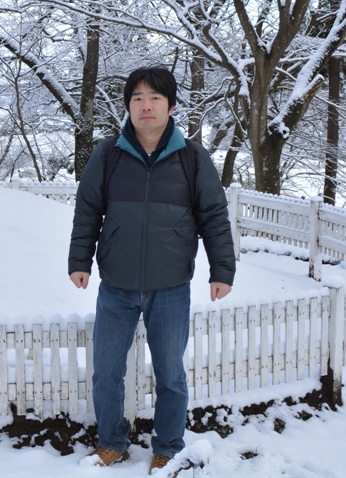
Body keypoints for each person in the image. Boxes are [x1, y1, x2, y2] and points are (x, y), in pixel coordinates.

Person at [68, 66, 236, 475]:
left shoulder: (192, 158)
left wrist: (222, 270)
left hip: (171, 287)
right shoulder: (107, 155)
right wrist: (79, 261)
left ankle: (168, 446)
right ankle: (112, 442)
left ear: (171, 105)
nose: (146, 105)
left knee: (171, 376)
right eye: (138, 98)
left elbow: (213, 214)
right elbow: (88, 209)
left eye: (155, 98)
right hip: (117, 286)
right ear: (128, 106)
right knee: (106, 372)